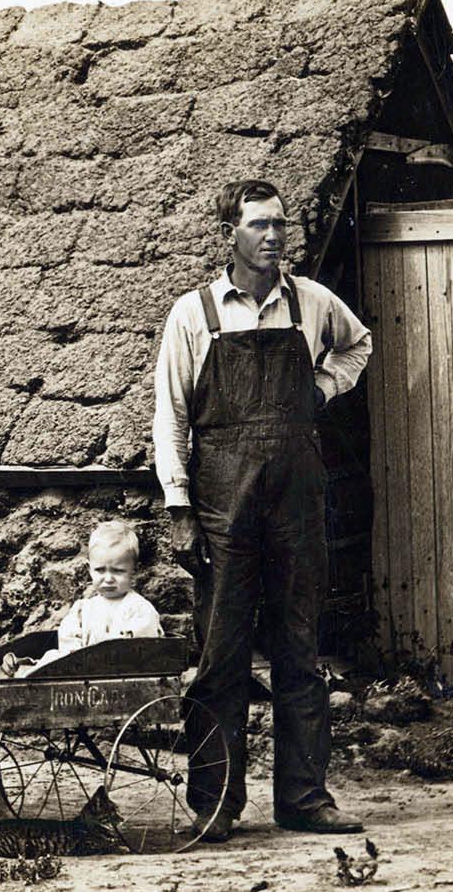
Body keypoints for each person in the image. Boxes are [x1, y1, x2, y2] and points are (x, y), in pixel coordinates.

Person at [153, 179, 373, 841]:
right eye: (258, 226)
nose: (273, 236)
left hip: (297, 499)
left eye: (279, 224)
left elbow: (357, 344)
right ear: (230, 233)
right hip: (223, 501)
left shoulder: (309, 302)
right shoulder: (194, 314)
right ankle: (215, 803)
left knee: (299, 651)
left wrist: (318, 391)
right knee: (220, 656)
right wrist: (179, 506)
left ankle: (304, 798)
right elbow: (170, 418)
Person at [0, 521, 164, 678]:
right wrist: (74, 655)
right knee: (52, 656)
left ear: (133, 571)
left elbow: (141, 646)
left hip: (120, 673)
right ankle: (26, 676)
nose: (108, 579)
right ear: (89, 570)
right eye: (100, 570)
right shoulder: (83, 609)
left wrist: (104, 651)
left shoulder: (140, 609)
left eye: (118, 571)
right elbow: (68, 639)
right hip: (80, 673)